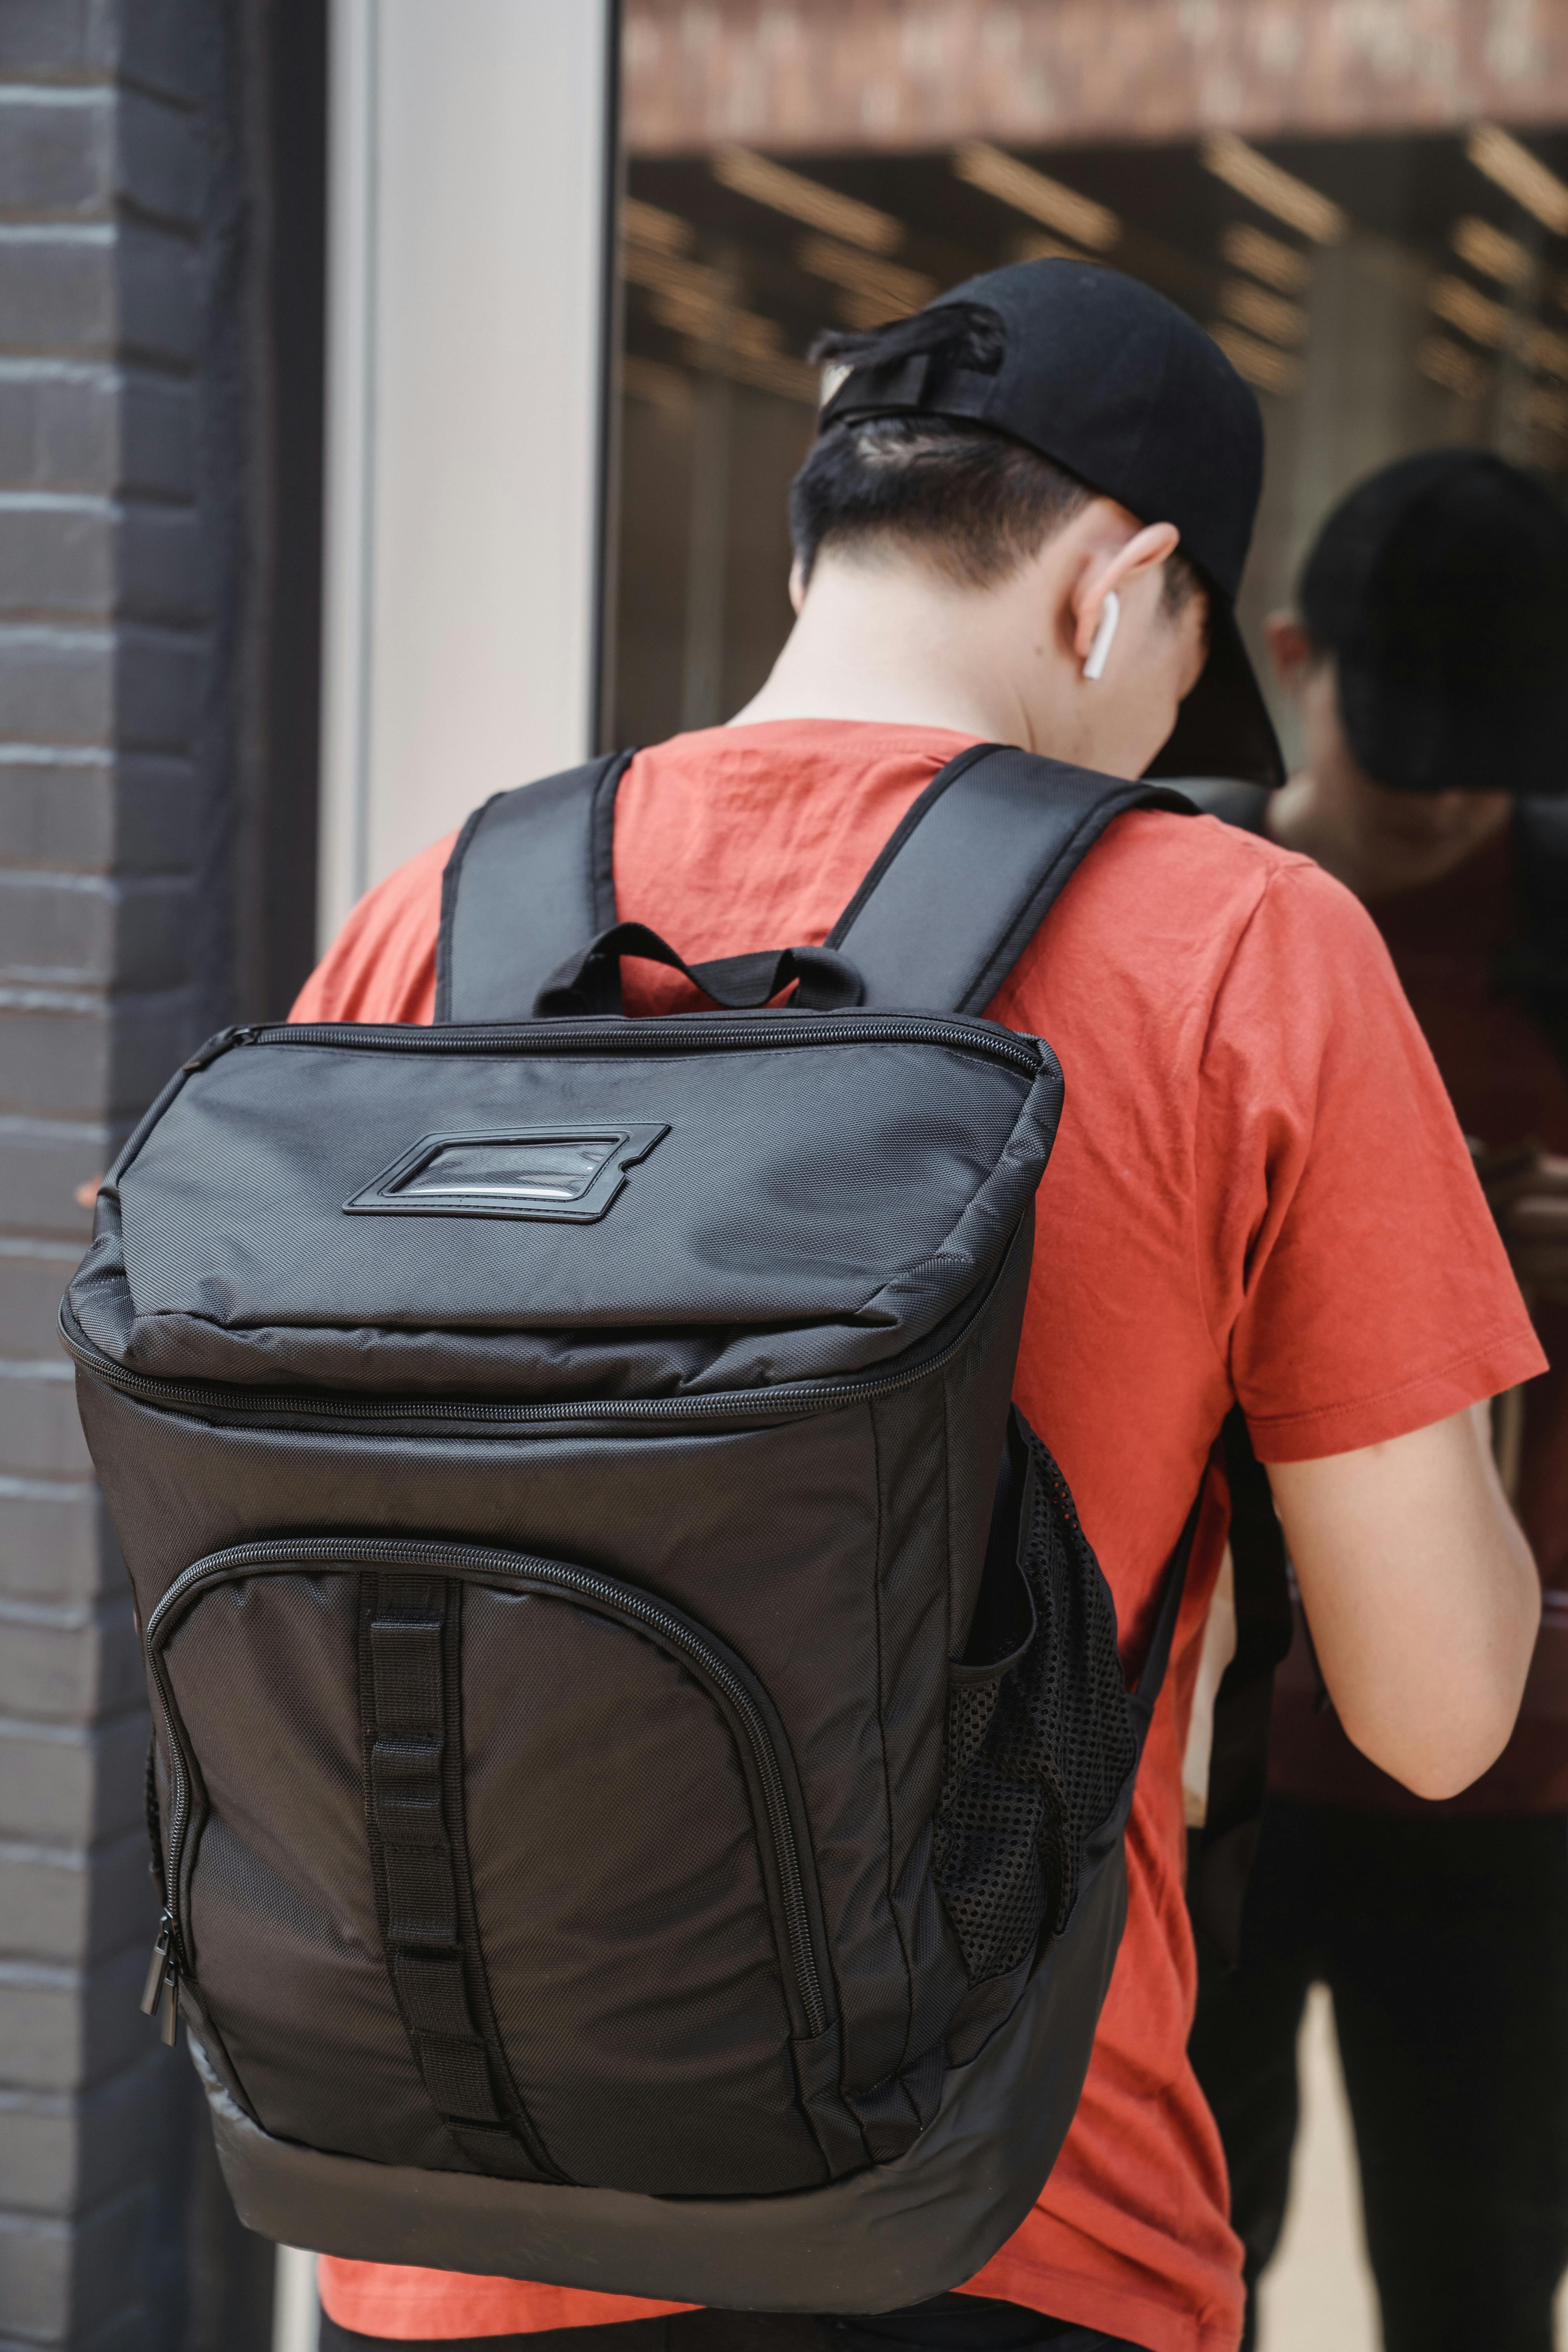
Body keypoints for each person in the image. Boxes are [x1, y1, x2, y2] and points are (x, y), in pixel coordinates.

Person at [292, 266, 1542, 2352]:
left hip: (441, 2196)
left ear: (816, 542)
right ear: (1113, 591)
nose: (1162, 748)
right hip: (1001, 2219)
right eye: (1187, 679)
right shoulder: (1248, 944)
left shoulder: (438, 908)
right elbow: (1438, 1716)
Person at [1186, 448, 1568, 2352]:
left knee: (1480, 2282)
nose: (1445, 792)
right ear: (1291, 658)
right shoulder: (1181, 898)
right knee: (1176, 2269)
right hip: (1199, 1755)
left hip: (1520, 1766)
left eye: (1494, 746)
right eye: (1412, 739)